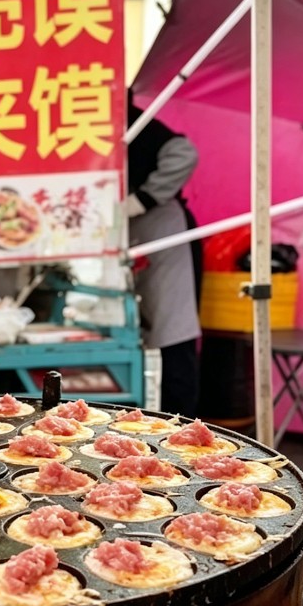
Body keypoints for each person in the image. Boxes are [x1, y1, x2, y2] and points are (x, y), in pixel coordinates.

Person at [126, 92, 200, 418]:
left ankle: (182, 423)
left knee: (172, 334)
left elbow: (183, 153)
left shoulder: (133, 120)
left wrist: (142, 198)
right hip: (123, 234)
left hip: (161, 233)